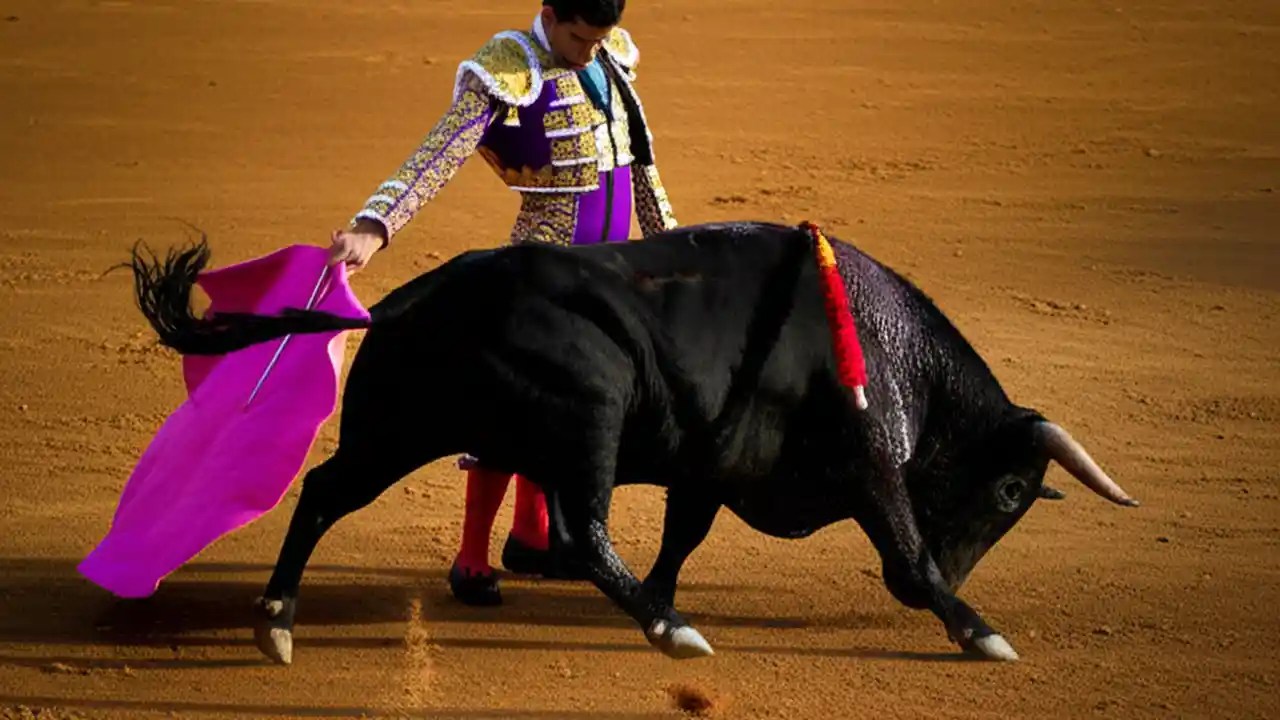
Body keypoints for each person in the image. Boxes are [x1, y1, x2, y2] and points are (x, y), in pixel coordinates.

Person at [326, 0, 679, 606]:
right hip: (540, 271)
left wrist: (674, 249)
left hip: (609, 275)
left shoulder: (611, 59)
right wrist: (373, 224)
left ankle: (533, 534)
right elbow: (442, 151)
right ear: (550, 13)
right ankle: (471, 556)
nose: (589, 49)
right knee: (509, 405)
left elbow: (639, 168)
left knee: (578, 406)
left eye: (600, 37)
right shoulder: (510, 65)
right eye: (578, 36)